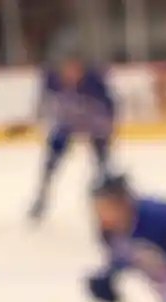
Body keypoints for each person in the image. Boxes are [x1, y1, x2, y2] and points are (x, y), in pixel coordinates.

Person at [27, 53, 117, 222]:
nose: (71, 75)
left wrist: (106, 128)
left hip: (94, 125)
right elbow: (43, 100)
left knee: (104, 166)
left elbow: (110, 106)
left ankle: (109, 203)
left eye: (76, 71)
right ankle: (41, 199)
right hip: (66, 124)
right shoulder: (51, 80)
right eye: (67, 70)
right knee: (50, 163)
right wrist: (39, 117)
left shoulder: (95, 83)